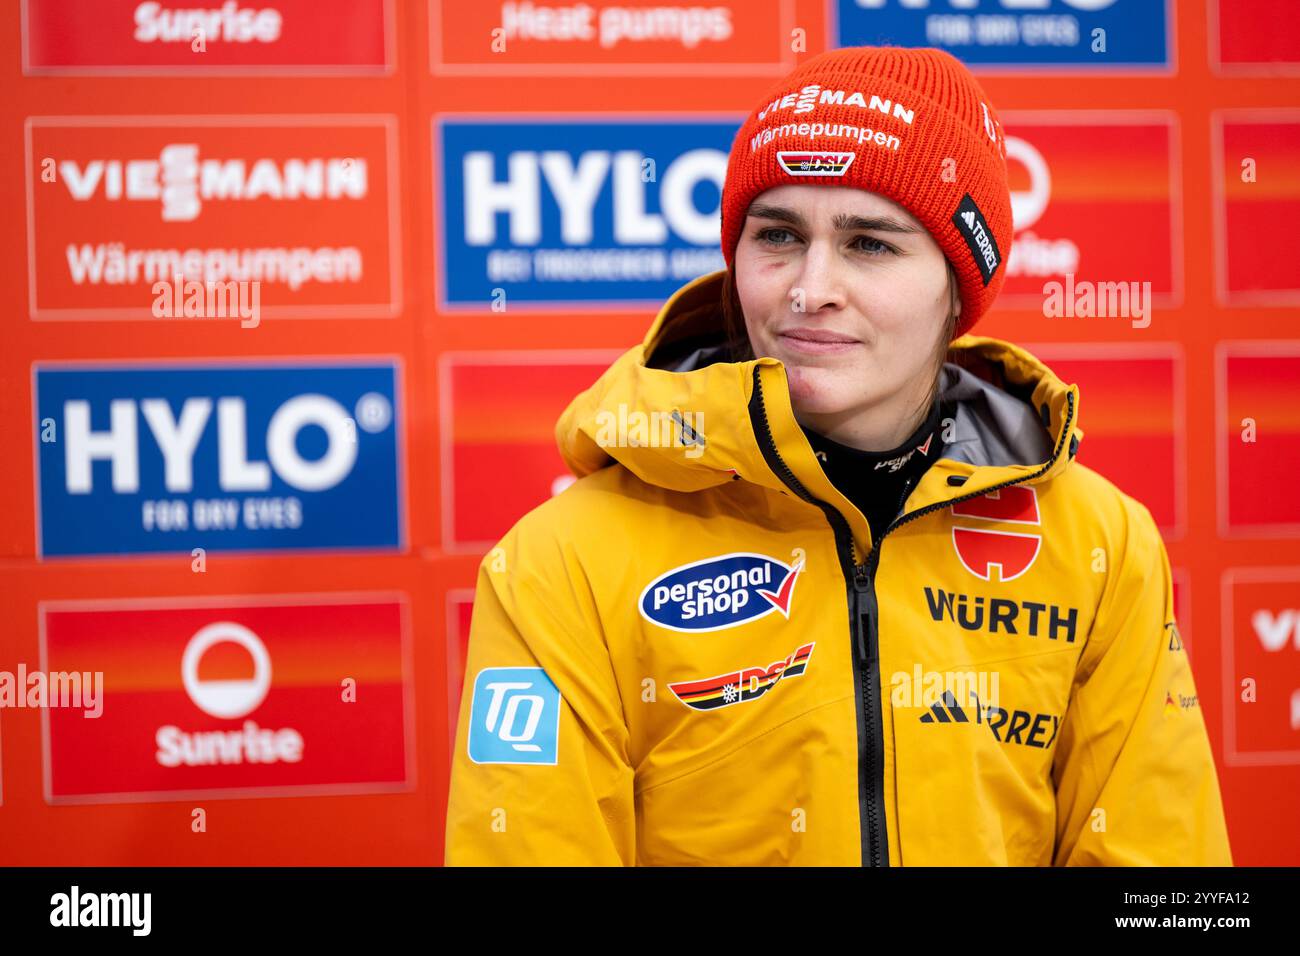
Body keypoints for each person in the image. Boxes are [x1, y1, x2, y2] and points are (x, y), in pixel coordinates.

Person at [444, 45, 1232, 866]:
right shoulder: (559, 562)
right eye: (779, 235)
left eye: (871, 244)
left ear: (959, 289)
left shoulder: (1100, 546)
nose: (810, 286)